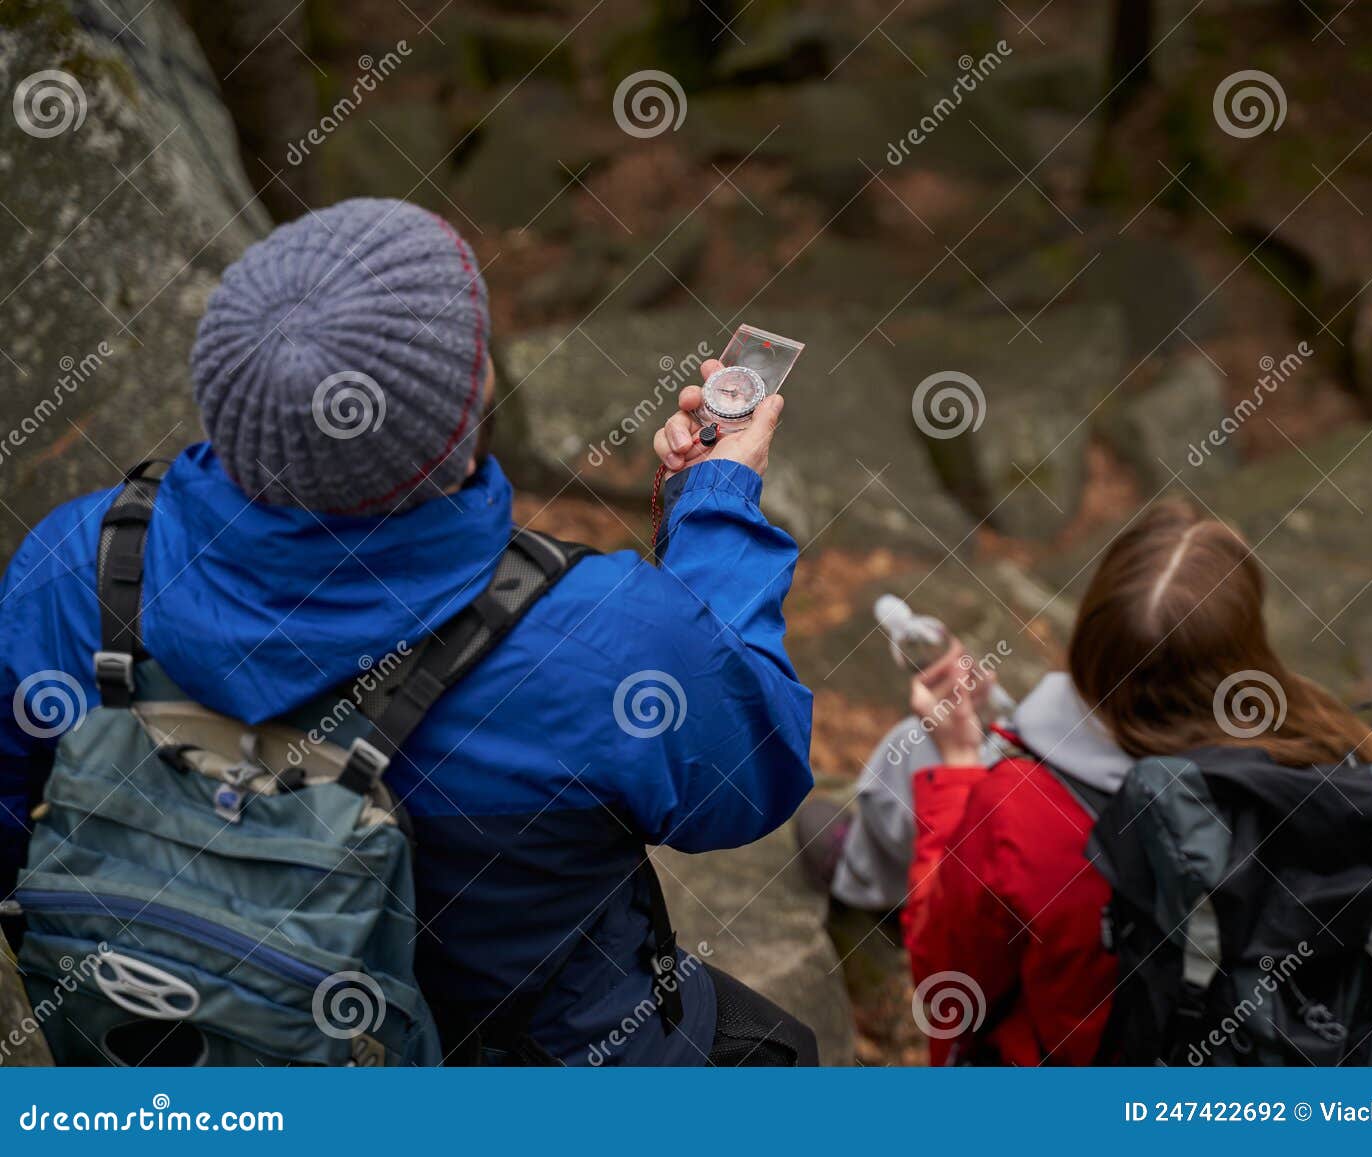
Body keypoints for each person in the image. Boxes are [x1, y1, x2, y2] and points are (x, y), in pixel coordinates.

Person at [0, 198, 817, 1066]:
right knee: (777, 1053)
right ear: (471, 411)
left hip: (178, 1063)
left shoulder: (78, 563)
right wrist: (717, 502)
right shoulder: (597, 638)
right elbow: (750, 775)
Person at [898, 502, 1372, 1065]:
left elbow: (947, 983)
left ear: (1090, 641)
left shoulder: (1022, 812)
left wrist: (958, 767)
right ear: (1247, 648)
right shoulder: (1335, 760)